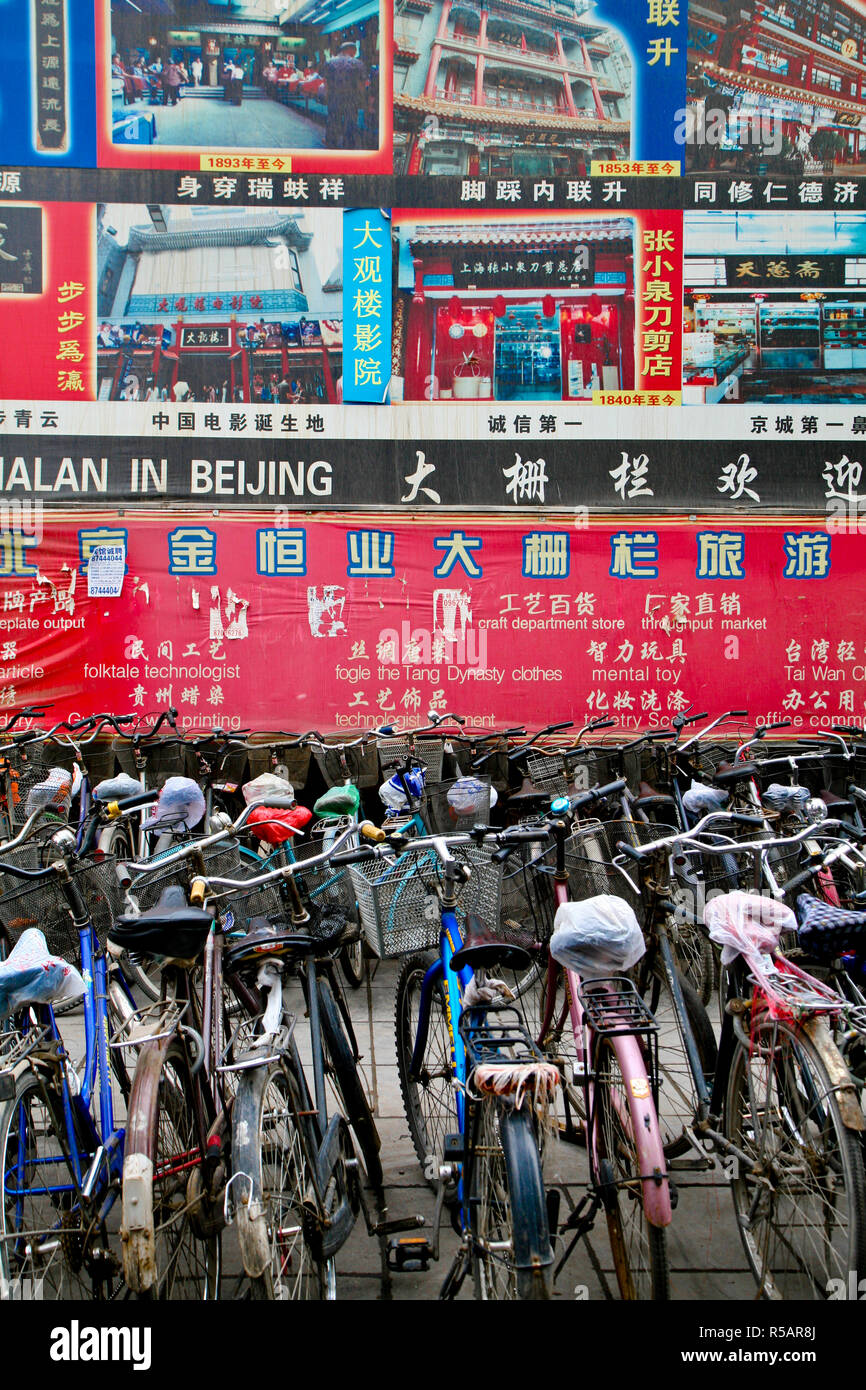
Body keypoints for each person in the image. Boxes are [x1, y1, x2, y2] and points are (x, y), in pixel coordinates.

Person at [323, 41, 365, 149]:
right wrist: (361, 98)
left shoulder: (330, 62)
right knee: (350, 123)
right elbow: (361, 84)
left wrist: (327, 95)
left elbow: (326, 82)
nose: (355, 54)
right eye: (354, 51)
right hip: (351, 99)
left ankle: (331, 143)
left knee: (333, 121)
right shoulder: (358, 63)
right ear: (350, 50)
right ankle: (348, 145)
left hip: (334, 97)